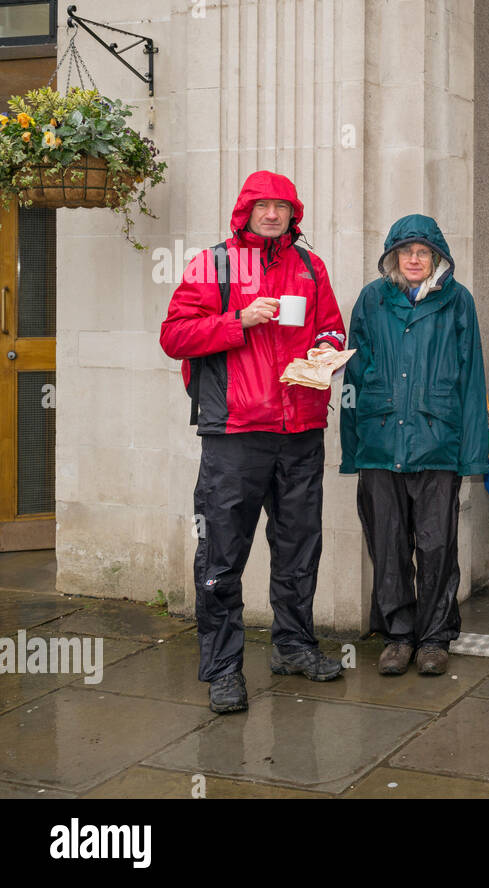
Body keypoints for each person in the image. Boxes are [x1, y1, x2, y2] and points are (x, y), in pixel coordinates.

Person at [160, 170, 347, 714]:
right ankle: (222, 669)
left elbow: (331, 328)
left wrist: (326, 353)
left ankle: (293, 646)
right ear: (245, 211)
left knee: (298, 546)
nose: (272, 214)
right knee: (222, 553)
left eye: (282, 206)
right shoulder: (213, 263)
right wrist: (237, 320)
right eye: (262, 205)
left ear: (294, 215)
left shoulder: (311, 267)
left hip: (301, 428)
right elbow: (174, 335)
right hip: (235, 433)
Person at [340, 214, 489, 676]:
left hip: (436, 442)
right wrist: (353, 447)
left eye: (423, 252)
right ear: (393, 257)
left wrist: (471, 454)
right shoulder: (371, 299)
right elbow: (354, 374)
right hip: (380, 440)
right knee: (386, 543)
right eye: (406, 252)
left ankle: (434, 637)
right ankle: (398, 634)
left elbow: (471, 379)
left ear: (437, 258)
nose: (414, 259)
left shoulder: (457, 301)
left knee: (436, 545)